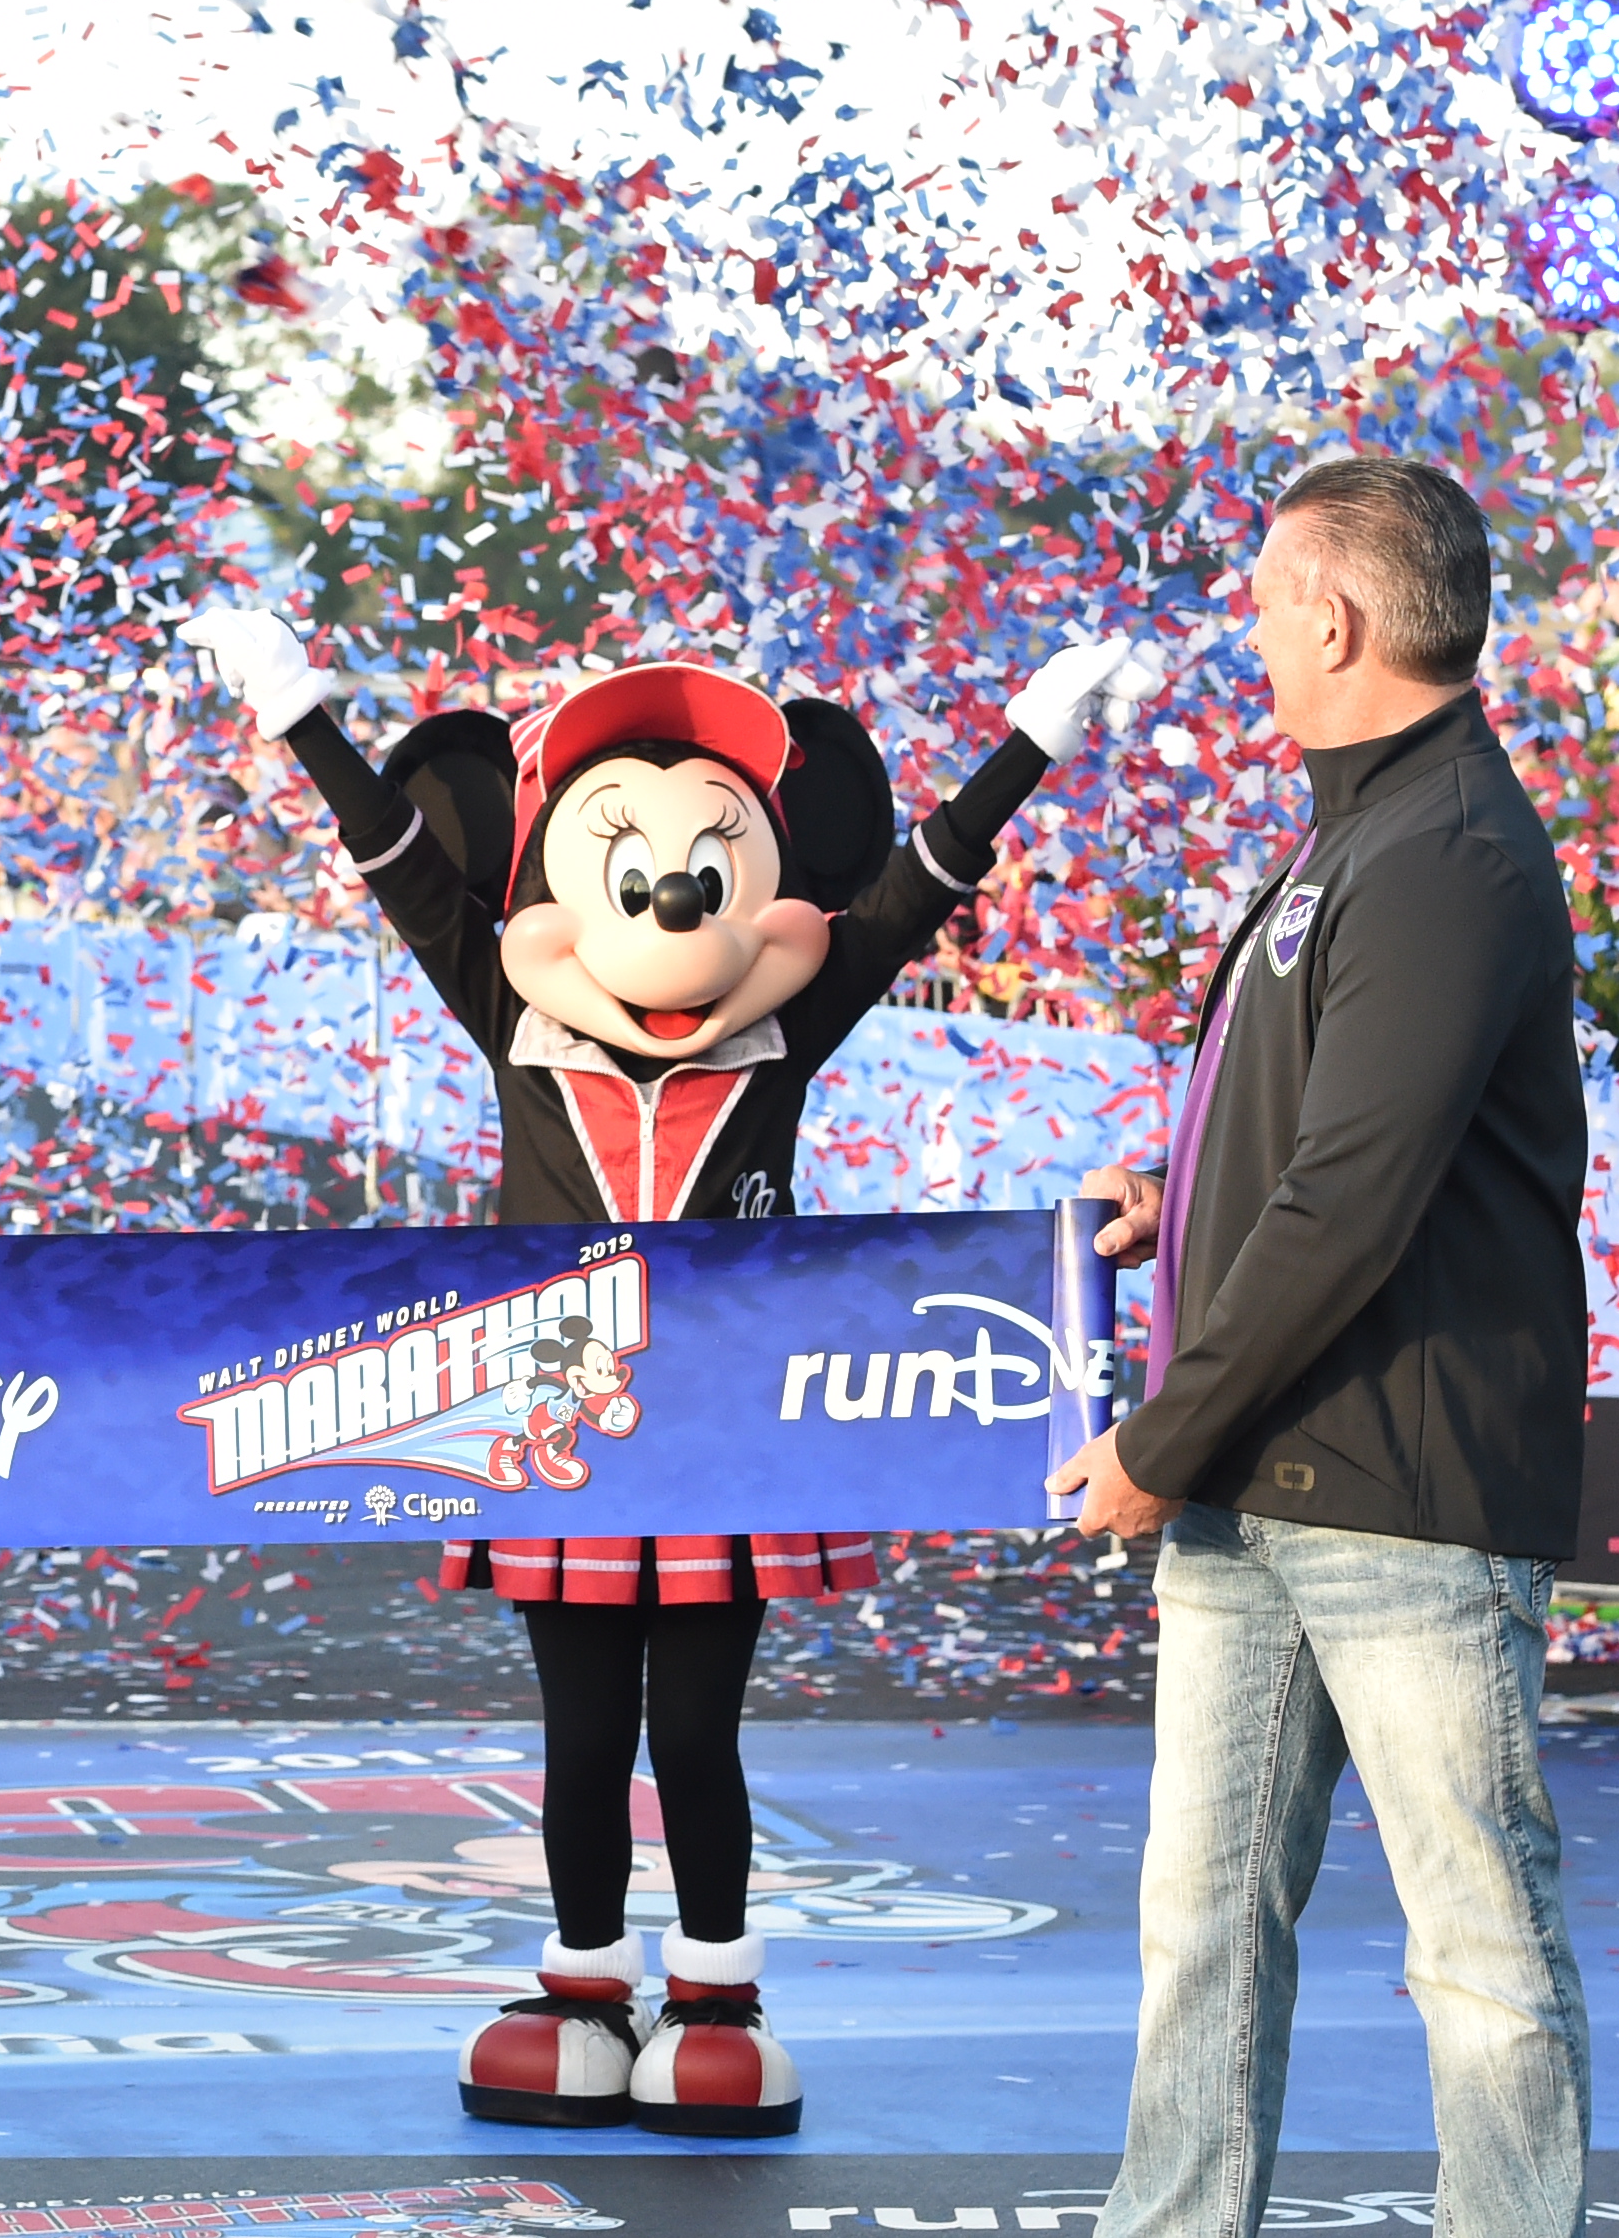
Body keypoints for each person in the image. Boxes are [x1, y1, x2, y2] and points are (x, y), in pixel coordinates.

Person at [184, 608, 1159, 2133]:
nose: (671, 901)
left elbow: (918, 895)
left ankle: (716, 1982)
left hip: (727, 1440)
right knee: (582, 1734)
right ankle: (582, 1975)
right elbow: (402, 868)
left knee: (698, 1731)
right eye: (626, 861)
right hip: (564, 1442)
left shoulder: (789, 1031)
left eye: (714, 863)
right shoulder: (514, 1020)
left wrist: (1032, 737)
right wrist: (299, 713)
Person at [924, 453, 1596, 2238]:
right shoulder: (1358, 837)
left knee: (1475, 1947)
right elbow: (1297, 1156)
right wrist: (1169, 1188)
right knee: (1202, 1929)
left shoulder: (1451, 848)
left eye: (1259, 599)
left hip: (1394, 1493)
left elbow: (1355, 1203)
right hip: (1267, 1494)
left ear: (1333, 621)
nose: (1239, 632)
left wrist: (1156, 1437)